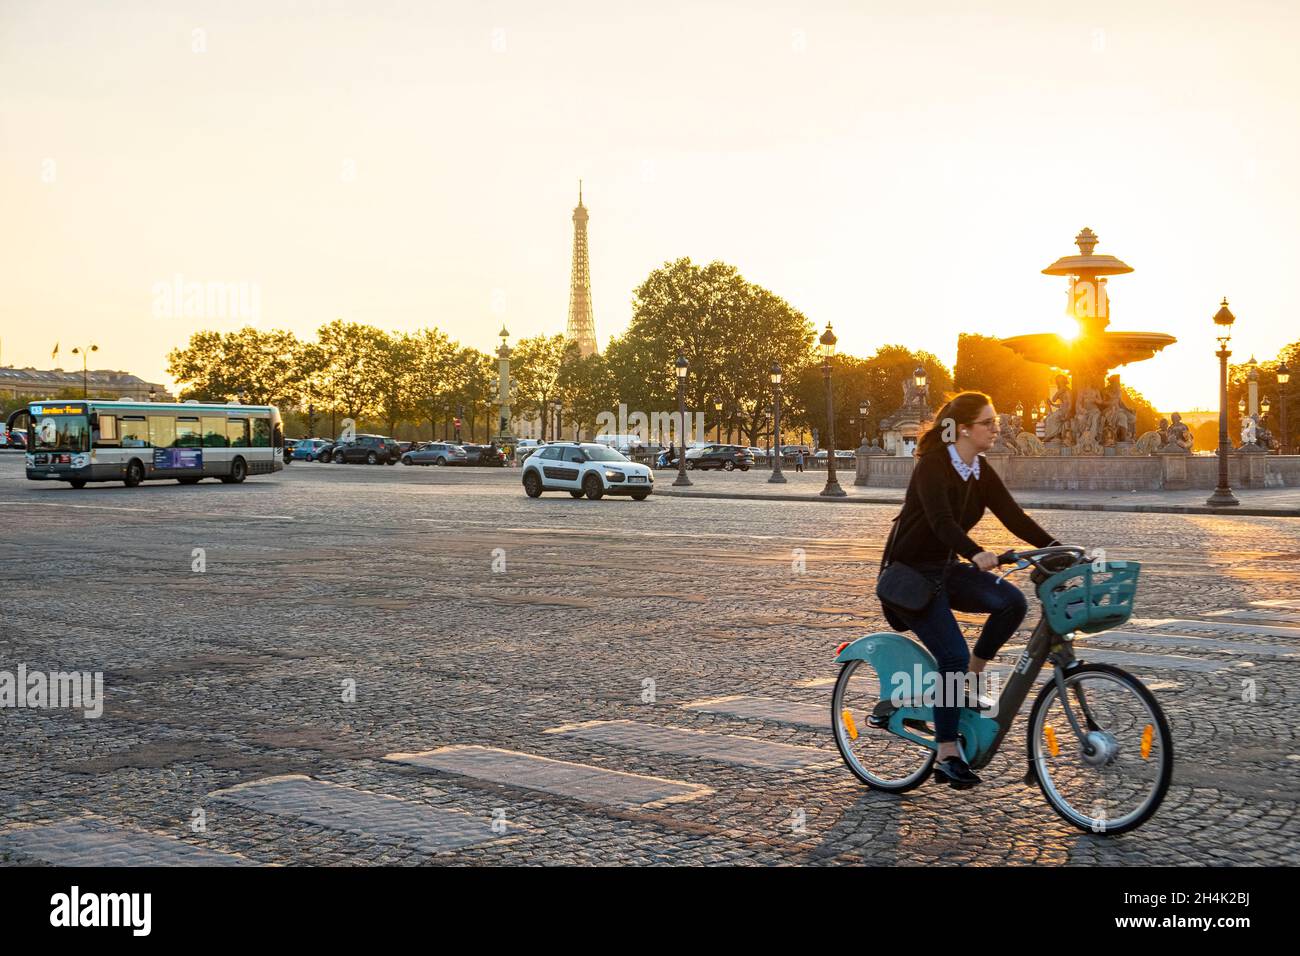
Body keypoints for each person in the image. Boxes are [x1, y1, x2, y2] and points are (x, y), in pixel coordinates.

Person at [881, 391, 1060, 789]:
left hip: (946, 569)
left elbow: (1015, 516)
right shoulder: (933, 466)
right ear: (964, 428)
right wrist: (976, 552)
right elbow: (942, 522)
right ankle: (946, 751)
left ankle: (966, 684)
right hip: (911, 576)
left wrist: (1058, 551)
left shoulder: (979, 469)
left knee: (1011, 602)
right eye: (989, 423)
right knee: (952, 655)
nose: (997, 429)